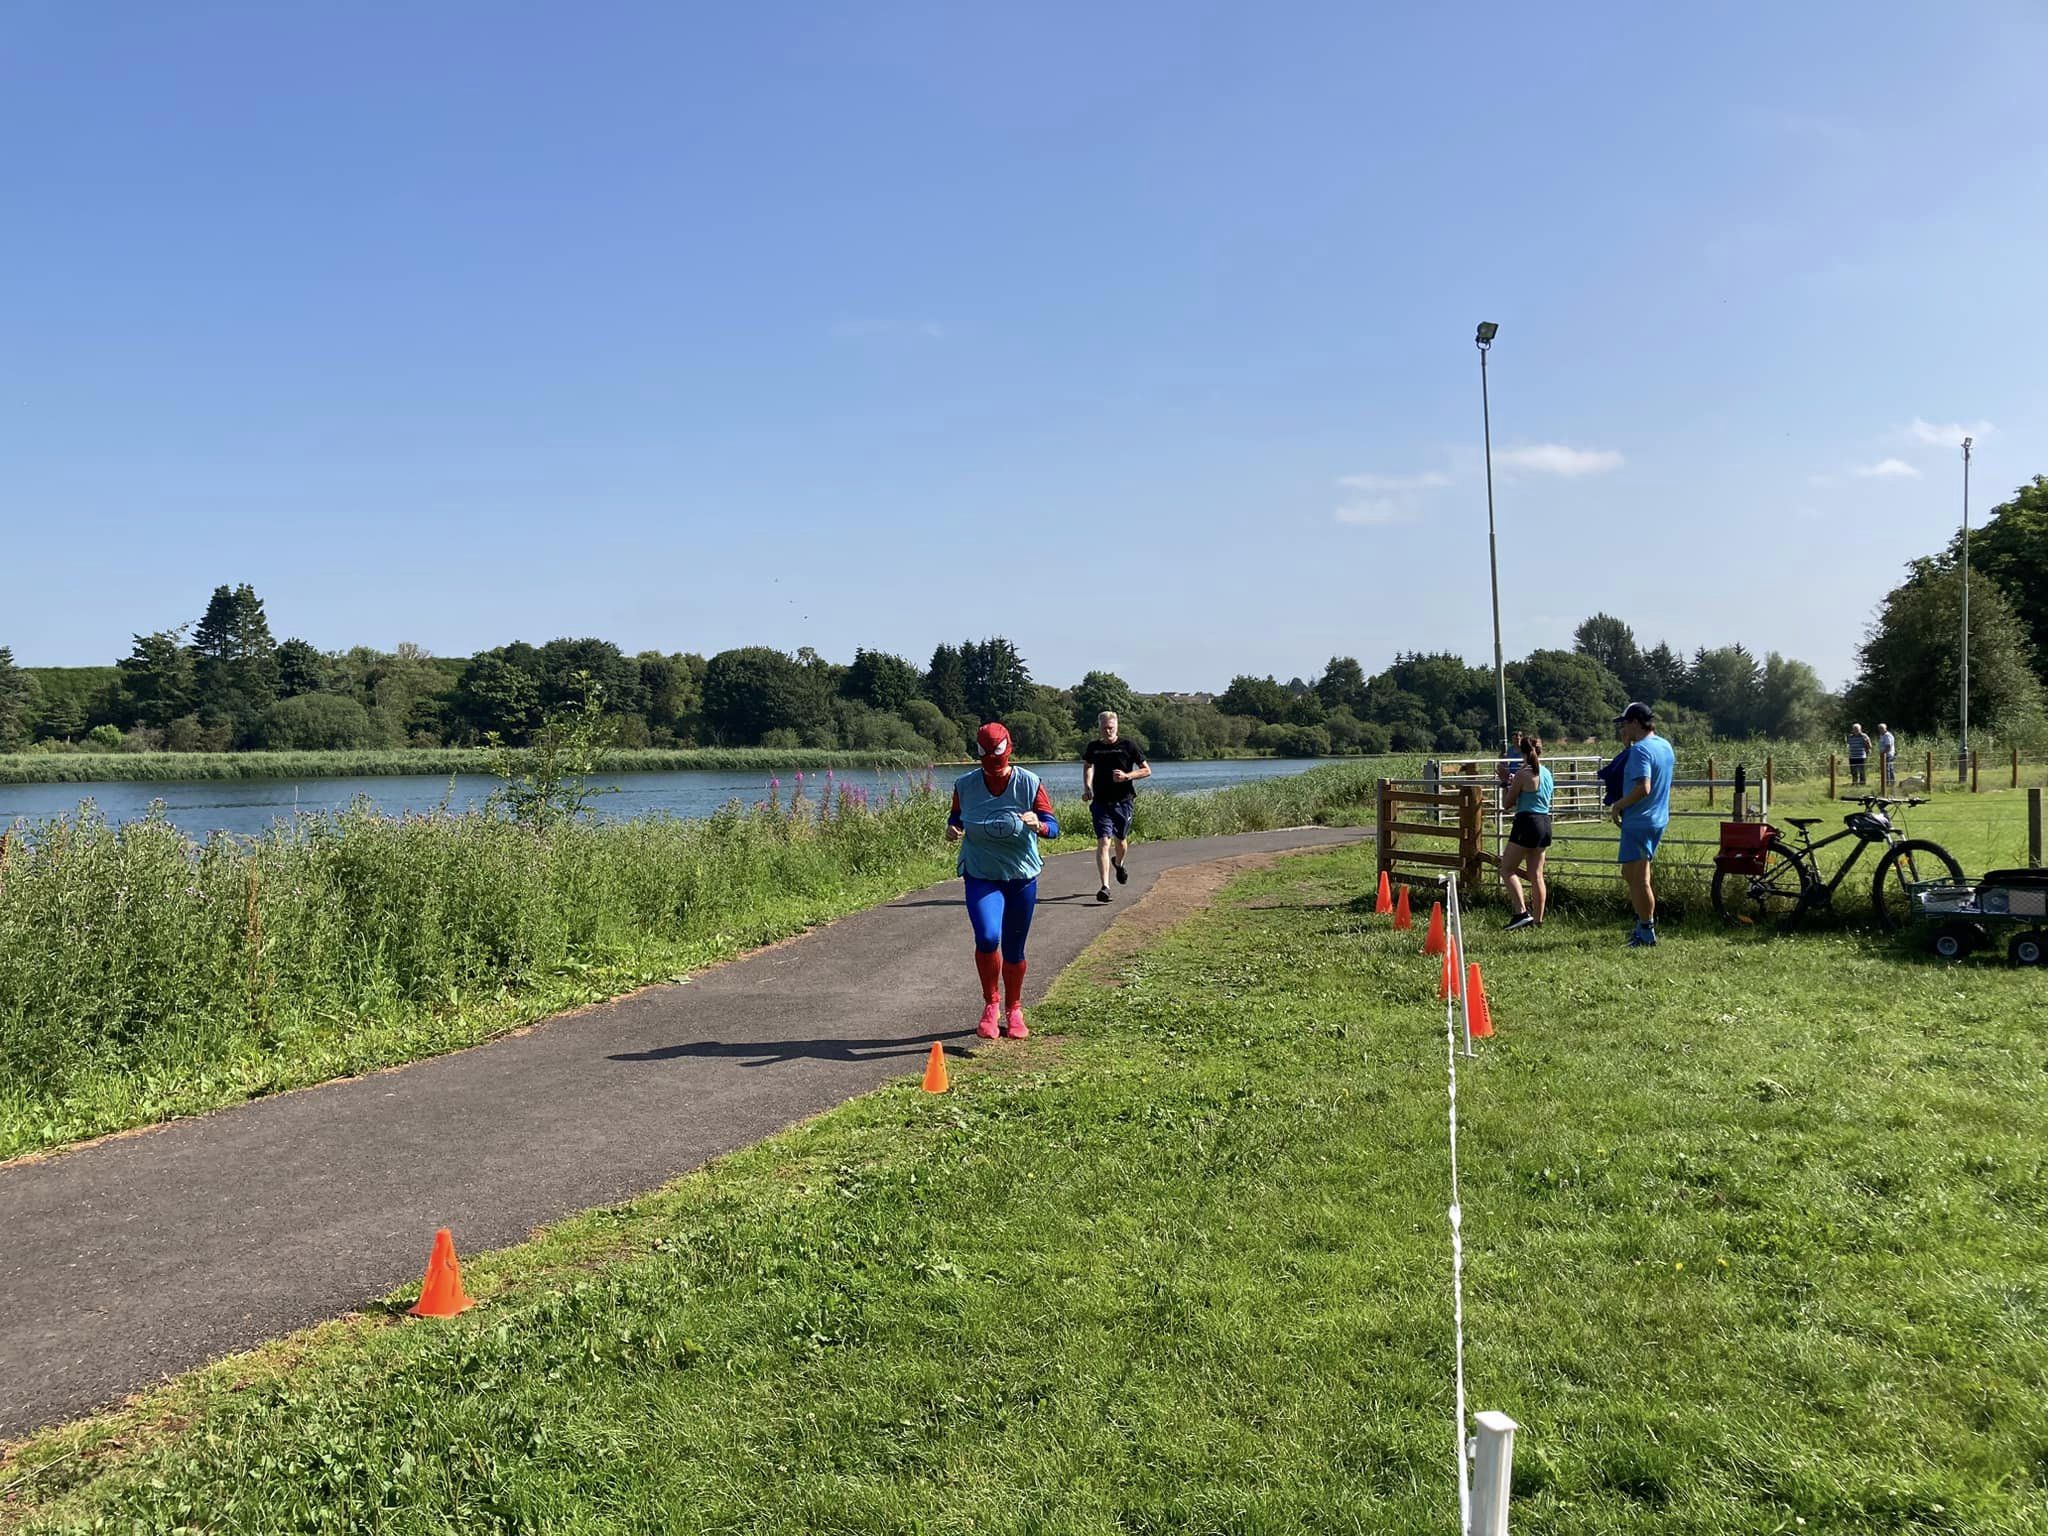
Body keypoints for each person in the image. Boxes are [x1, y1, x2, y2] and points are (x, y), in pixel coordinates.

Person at [947, 722, 1060, 1040]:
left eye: (997, 750)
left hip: (1021, 876)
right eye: (985, 751)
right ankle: (991, 1004)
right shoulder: (965, 784)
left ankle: (1014, 1009)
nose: (992, 760)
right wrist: (952, 828)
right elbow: (956, 815)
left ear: (1008, 748)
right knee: (987, 936)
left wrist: (1039, 825)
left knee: (1014, 948)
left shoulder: (1029, 782)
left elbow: (1054, 827)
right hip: (981, 873)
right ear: (978, 751)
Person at [1607, 702, 1675, 948]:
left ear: (1635, 722)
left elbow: (1643, 787)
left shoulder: (1641, 750)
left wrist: (1619, 805)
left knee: (1639, 880)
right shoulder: (1664, 746)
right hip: (1657, 817)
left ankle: (1646, 931)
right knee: (1630, 874)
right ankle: (1643, 925)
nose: (1623, 728)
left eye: (1625, 723)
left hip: (1639, 820)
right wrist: (1627, 746)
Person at [1081, 711, 1150, 904]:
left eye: (1111, 728)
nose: (1108, 731)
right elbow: (1087, 765)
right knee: (1104, 842)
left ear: (1116, 727)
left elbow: (1147, 770)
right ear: (1100, 728)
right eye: (1104, 728)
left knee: (1121, 841)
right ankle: (1105, 887)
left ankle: (1118, 863)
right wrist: (1087, 787)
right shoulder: (1093, 747)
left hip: (1123, 801)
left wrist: (1127, 776)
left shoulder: (1128, 746)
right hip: (1101, 802)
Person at [1495, 734, 1552, 931]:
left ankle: (1521, 913)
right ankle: (1538, 920)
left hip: (1526, 822)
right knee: (1537, 875)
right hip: (1544, 823)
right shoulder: (1546, 773)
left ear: (1522, 752)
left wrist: (1505, 782)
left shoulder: (1523, 773)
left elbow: (1507, 804)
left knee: (1507, 868)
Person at [1877, 722, 1896, 789]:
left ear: (1885, 728)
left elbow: (1888, 746)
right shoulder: (1882, 735)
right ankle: (1889, 782)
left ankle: (1888, 782)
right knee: (1888, 769)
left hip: (1888, 755)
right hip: (1884, 755)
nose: (1880, 730)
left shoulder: (1887, 735)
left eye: (1881, 728)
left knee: (1887, 769)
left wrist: (1883, 754)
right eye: (1879, 729)